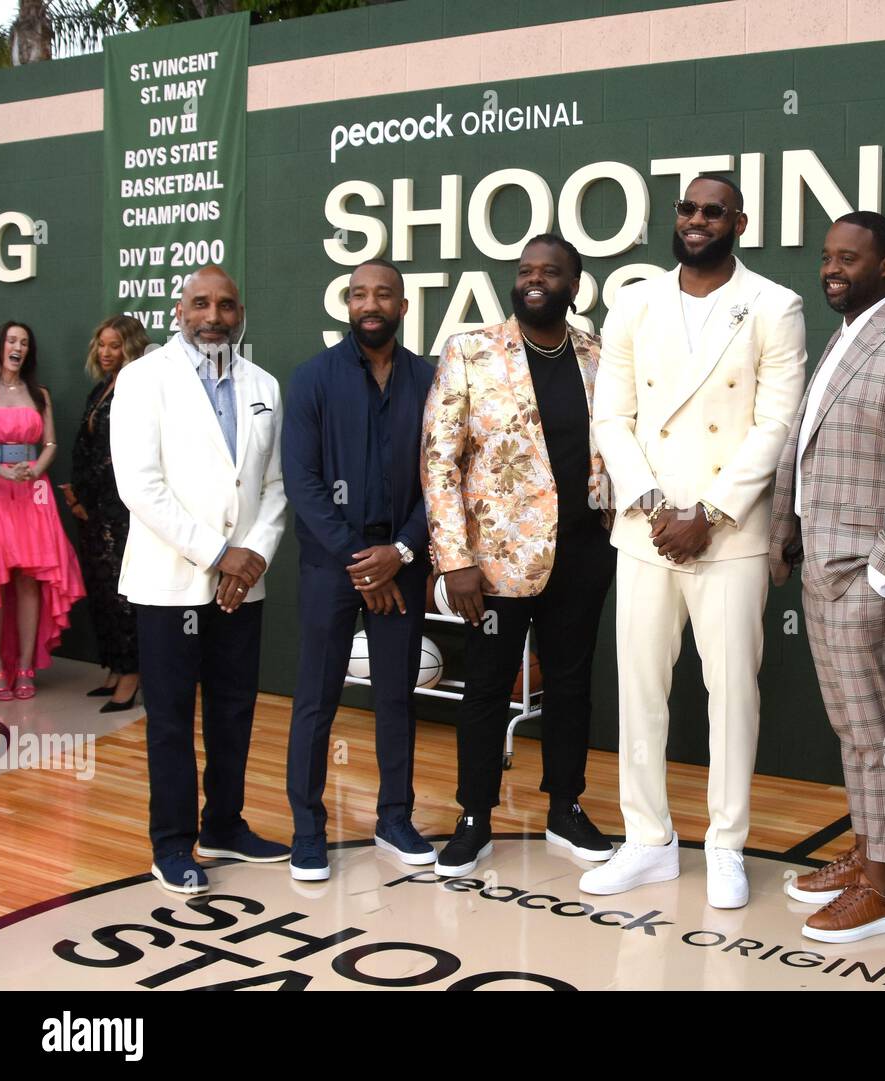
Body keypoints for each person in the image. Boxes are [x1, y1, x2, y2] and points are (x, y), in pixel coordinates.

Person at [582, 176, 806, 908]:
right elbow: (612, 417)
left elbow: (777, 424)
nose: (698, 220)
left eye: (714, 210)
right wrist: (653, 504)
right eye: (687, 209)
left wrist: (707, 513)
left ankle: (726, 844)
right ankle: (647, 840)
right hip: (646, 527)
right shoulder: (634, 303)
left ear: (739, 221)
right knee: (640, 687)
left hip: (729, 531)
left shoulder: (775, 305)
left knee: (731, 692)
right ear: (674, 218)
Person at [768, 212, 885, 943]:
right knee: (854, 729)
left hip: (867, 580)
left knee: (877, 732)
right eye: (827, 257)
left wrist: (883, 576)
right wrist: (789, 538)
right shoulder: (843, 339)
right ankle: (868, 855)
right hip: (824, 570)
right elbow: (803, 453)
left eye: (850, 257)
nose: (833, 268)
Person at [423, 234, 616, 878]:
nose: (535, 280)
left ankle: (565, 808)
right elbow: (439, 461)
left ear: (575, 283)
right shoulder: (470, 351)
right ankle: (474, 817)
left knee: (570, 684)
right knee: (484, 688)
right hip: (496, 562)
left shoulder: (598, 354)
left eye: (551, 271)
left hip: (584, 553)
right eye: (526, 270)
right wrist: (454, 558)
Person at [110, 266, 289, 894]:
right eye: (201, 303)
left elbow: (272, 486)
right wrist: (220, 554)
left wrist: (255, 556)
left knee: (235, 710)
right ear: (178, 311)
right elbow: (141, 487)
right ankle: (172, 843)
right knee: (170, 718)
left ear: (241, 314)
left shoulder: (263, 383)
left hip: (245, 583)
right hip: (173, 581)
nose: (215, 315)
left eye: (227, 305)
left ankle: (225, 825)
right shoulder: (142, 379)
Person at [283, 258, 435, 881]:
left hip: (401, 562)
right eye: (358, 294)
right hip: (332, 565)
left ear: (403, 304)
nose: (370, 303)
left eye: (383, 294)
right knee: (316, 700)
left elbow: (442, 478)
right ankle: (307, 830)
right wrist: (359, 563)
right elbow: (303, 480)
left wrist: (397, 554)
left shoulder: (432, 379)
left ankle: (394, 818)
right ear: (346, 304)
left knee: (397, 697)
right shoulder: (313, 378)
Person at [0, 320, 85, 701]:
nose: (18, 347)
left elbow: (50, 443)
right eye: (13, 340)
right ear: (1, 345)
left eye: (25, 342)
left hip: (33, 492)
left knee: (30, 581)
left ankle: (27, 667)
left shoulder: (39, 394)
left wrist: (35, 469)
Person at [63, 316, 149, 713]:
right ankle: (115, 666)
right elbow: (87, 448)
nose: (105, 352)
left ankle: (132, 674)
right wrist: (78, 495)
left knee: (121, 594)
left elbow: (118, 454)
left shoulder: (138, 390)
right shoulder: (101, 388)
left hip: (121, 507)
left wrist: (88, 493)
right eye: (101, 345)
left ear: (130, 347)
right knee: (101, 591)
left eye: (114, 345)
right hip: (93, 508)